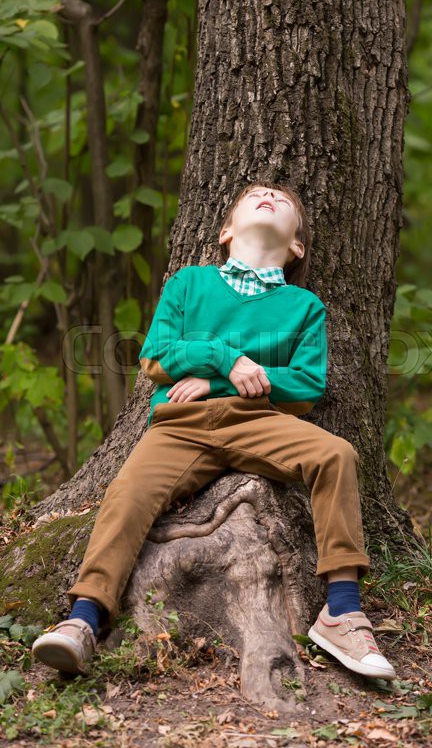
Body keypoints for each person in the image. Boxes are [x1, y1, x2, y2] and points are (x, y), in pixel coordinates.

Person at [31, 181, 396, 681]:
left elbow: (307, 386)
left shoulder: (304, 307)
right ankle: (85, 617)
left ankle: (342, 611)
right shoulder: (190, 284)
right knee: (129, 493)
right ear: (226, 231)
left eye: (283, 201)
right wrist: (228, 357)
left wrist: (215, 376)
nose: (269, 199)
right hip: (182, 426)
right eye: (255, 197)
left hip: (260, 422)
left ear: (297, 247)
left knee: (335, 455)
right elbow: (155, 359)